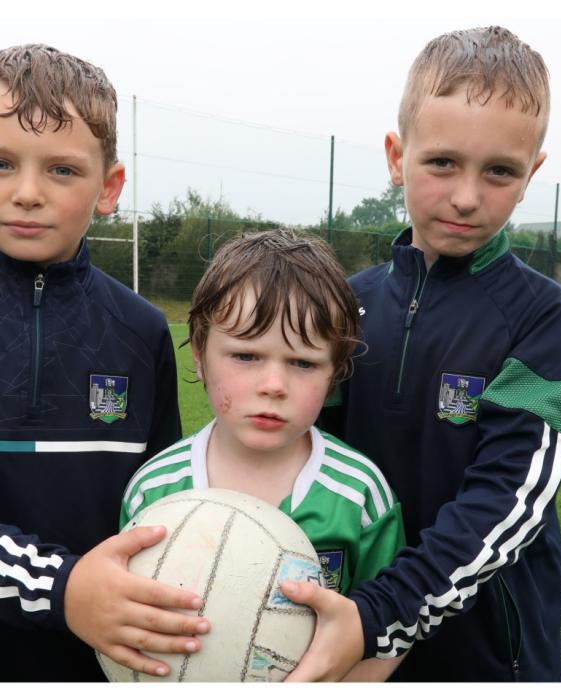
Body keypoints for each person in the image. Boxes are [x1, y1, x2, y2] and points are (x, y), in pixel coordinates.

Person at [286, 26, 561, 682]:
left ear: (531, 173)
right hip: (344, 630)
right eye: (442, 162)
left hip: (486, 656)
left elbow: (512, 501)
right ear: (398, 156)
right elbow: (297, 455)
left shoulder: (542, 315)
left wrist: (378, 615)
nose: (468, 196)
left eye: (500, 171)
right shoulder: (345, 304)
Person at [0, 43, 208, 681]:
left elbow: (164, 506)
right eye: (2, 163)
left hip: (109, 665)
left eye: (62, 170)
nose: (28, 193)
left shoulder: (142, 331)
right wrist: (63, 590)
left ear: (109, 187)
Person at [120, 230, 406, 681]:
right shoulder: (155, 490)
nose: (273, 384)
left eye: (303, 363)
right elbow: (127, 623)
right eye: (246, 356)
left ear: (335, 372)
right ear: (200, 355)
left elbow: (390, 621)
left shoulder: (359, 491)